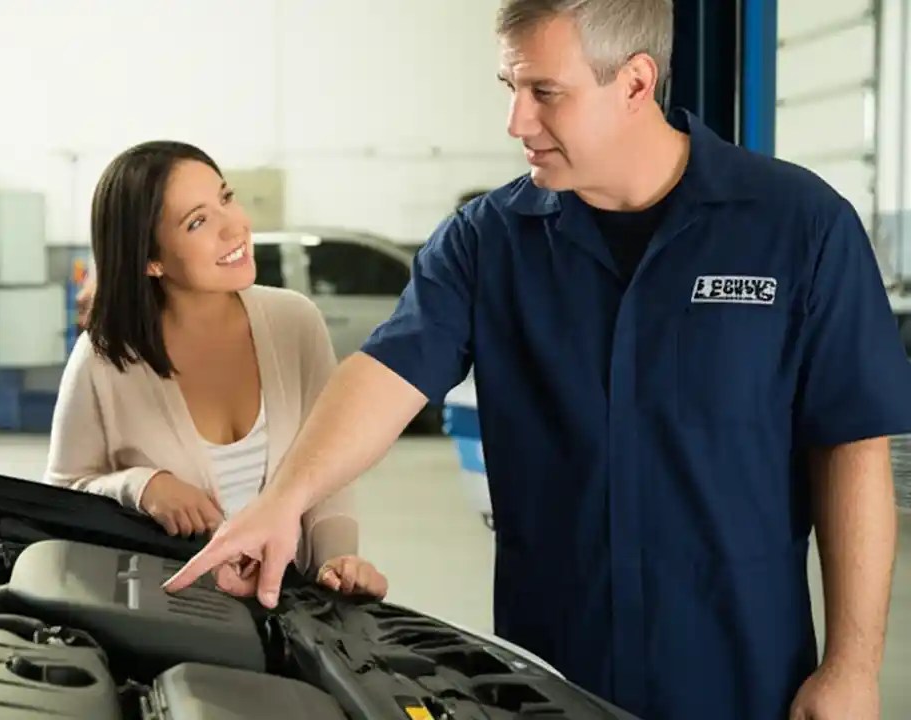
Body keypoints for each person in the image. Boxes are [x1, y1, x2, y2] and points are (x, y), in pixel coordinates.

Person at [163, 2, 911, 719]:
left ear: (636, 83)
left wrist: (850, 668)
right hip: (545, 676)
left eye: (544, 92)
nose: (516, 121)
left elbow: (850, 449)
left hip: (739, 678)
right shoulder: (488, 241)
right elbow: (386, 374)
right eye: (510, 87)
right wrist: (282, 502)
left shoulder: (798, 229)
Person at [46, 140, 388, 600]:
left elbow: (328, 472)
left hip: (292, 610)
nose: (235, 227)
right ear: (151, 260)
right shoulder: (104, 358)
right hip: (168, 620)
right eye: (198, 221)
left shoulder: (294, 322)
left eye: (226, 198)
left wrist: (335, 563)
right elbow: (62, 496)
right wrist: (141, 485)